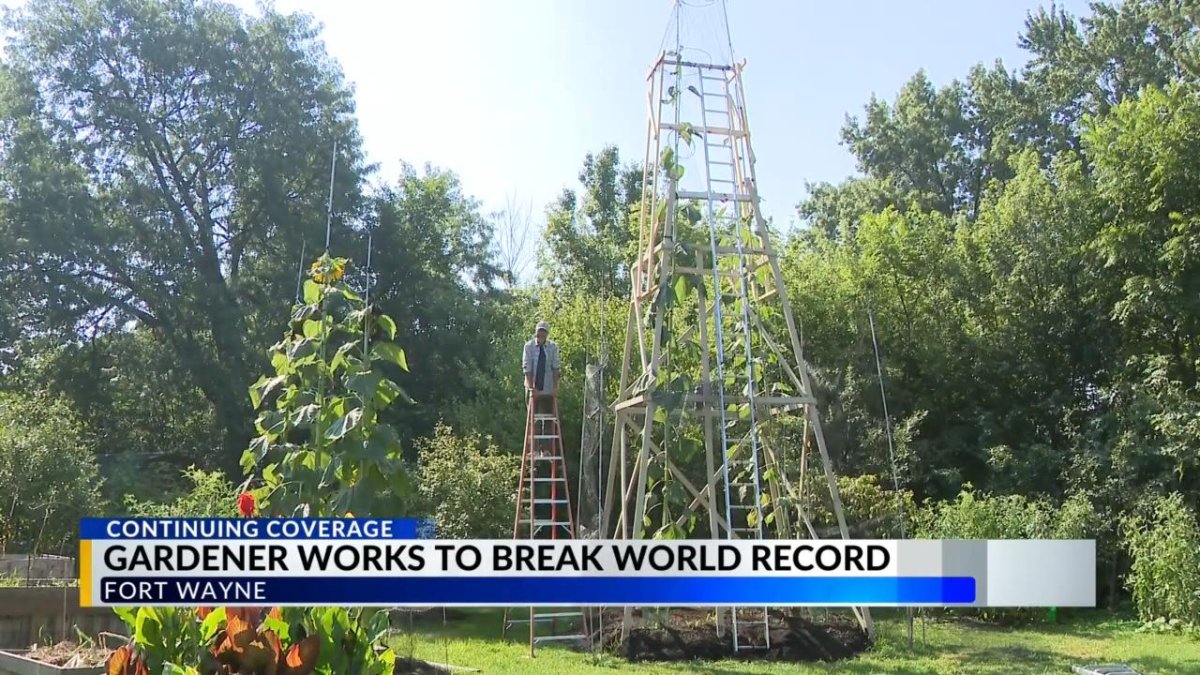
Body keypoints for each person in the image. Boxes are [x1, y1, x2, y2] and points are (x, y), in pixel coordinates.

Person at [522, 320, 561, 416]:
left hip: (548, 389)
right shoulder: (529, 347)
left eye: (543, 332)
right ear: (536, 332)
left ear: (547, 334)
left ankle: (548, 427)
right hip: (532, 387)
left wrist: (555, 388)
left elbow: (556, 368)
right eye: (539, 331)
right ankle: (534, 427)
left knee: (548, 416)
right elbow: (527, 368)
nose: (541, 334)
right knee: (533, 416)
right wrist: (532, 388)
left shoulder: (553, 347)